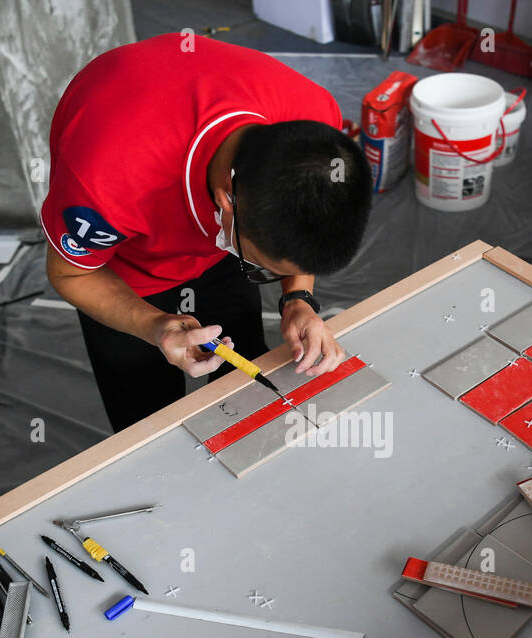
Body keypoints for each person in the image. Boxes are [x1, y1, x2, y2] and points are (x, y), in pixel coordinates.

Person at [42, 33, 373, 432]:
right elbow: (71, 272)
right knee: (145, 417)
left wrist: (299, 299)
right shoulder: (104, 181)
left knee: (242, 380)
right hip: (125, 273)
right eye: (265, 269)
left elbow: (295, 245)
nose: (274, 278)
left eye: (266, 269)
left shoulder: (316, 124)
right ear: (226, 203)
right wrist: (153, 326)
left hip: (229, 239)